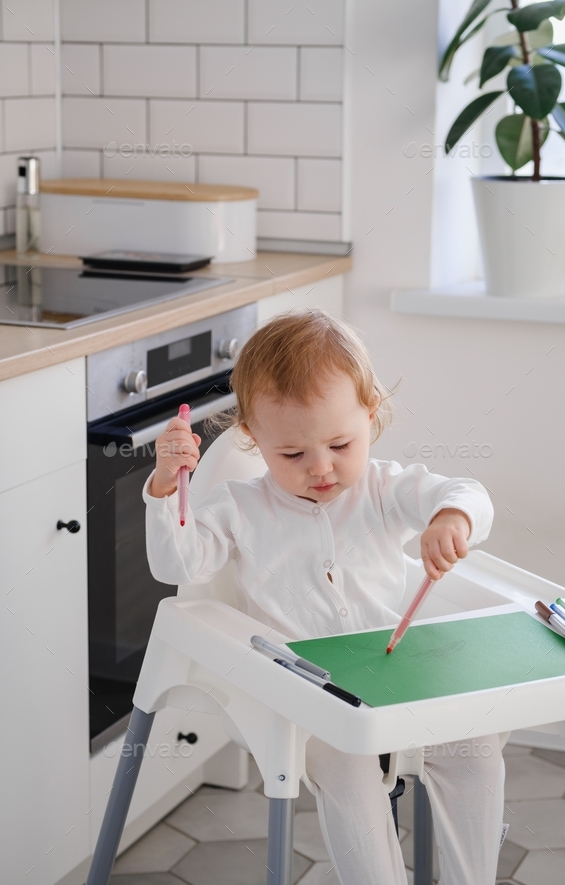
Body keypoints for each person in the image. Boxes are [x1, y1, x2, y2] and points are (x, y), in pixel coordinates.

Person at [142, 309, 505, 885]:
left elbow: (467, 492)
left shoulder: (384, 486)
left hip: (392, 671)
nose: (320, 469)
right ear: (253, 439)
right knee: (349, 765)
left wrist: (452, 517)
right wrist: (166, 488)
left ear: (372, 415)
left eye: (340, 443)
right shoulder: (240, 506)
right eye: (291, 454)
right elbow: (175, 563)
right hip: (299, 689)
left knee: (475, 744)